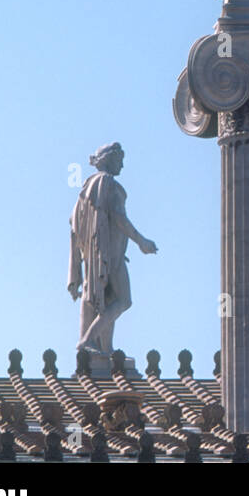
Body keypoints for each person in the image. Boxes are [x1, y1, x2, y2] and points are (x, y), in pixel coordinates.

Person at [68, 143, 157, 356]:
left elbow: (73, 224)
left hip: (93, 254)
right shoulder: (107, 183)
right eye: (120, 160)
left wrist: (80, 262)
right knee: (124, 299)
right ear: (109, 159)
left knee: (99, 297)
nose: (123, 165)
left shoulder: (85, 190)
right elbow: (119, 217)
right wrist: (141, 241)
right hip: (110, 254)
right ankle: (87, 341)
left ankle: (103, 348)